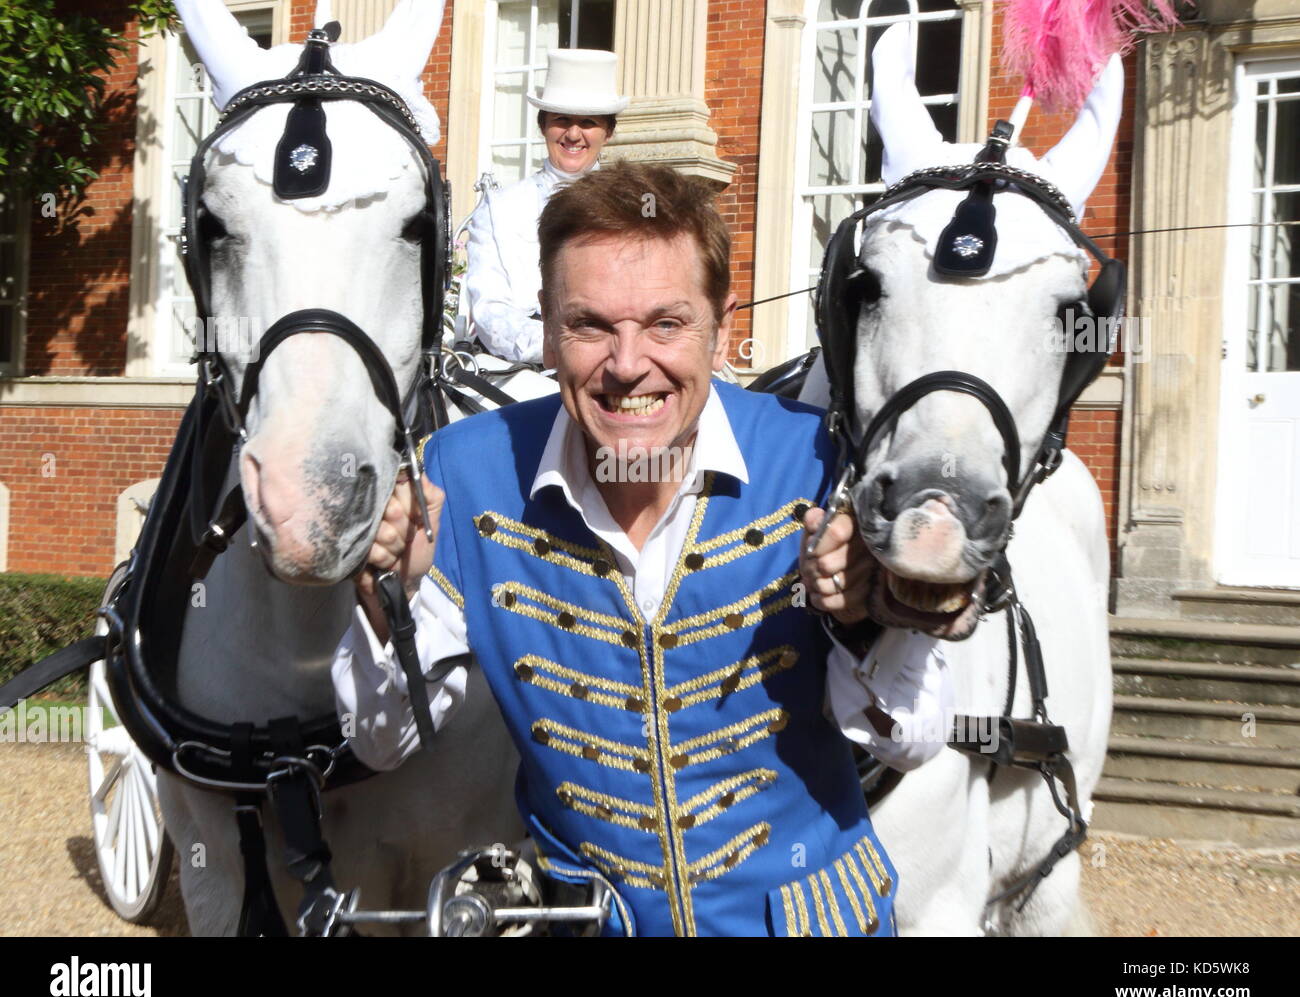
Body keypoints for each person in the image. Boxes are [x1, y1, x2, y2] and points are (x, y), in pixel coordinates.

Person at [332, 163, 953, 937]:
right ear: (547, 330)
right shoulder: (465, 476)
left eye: (667, 323)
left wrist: (866, 622)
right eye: (590, 325)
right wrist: (383, 598)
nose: (628, 366)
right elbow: (383, 742)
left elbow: (917, 738)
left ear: (723, 329)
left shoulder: (822, 464)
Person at [464, 48, 627, 363]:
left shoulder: (638, 207)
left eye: (588, 122)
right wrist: (560, 346)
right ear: (543, 127)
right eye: (561, 120)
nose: (574, 134)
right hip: (529, 372)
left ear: (607, 133)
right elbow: (491, 308)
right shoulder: (499, 209)